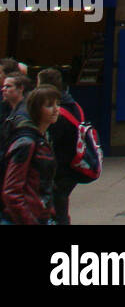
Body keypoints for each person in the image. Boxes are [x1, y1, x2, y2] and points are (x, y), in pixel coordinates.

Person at [1, 86, 59, 225]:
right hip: (25, 218)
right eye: (49, 105)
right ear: (37, 110)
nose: (56, 109)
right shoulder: (27, 143)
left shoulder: (42, 139)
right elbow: (12, 191)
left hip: (39, 215)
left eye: (57, 104)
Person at [35, 68, 82, 226]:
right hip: (73, 165)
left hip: (61, 169)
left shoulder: (58, 115)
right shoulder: (74, 104)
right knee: (61, 206)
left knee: (57, 210)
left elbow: (52, 144)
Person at [0, 72, 33, 150]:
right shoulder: (13, 109)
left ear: (21, 88)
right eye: (4, 86)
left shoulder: (22, 115)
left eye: (8, 86)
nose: (3, 89)